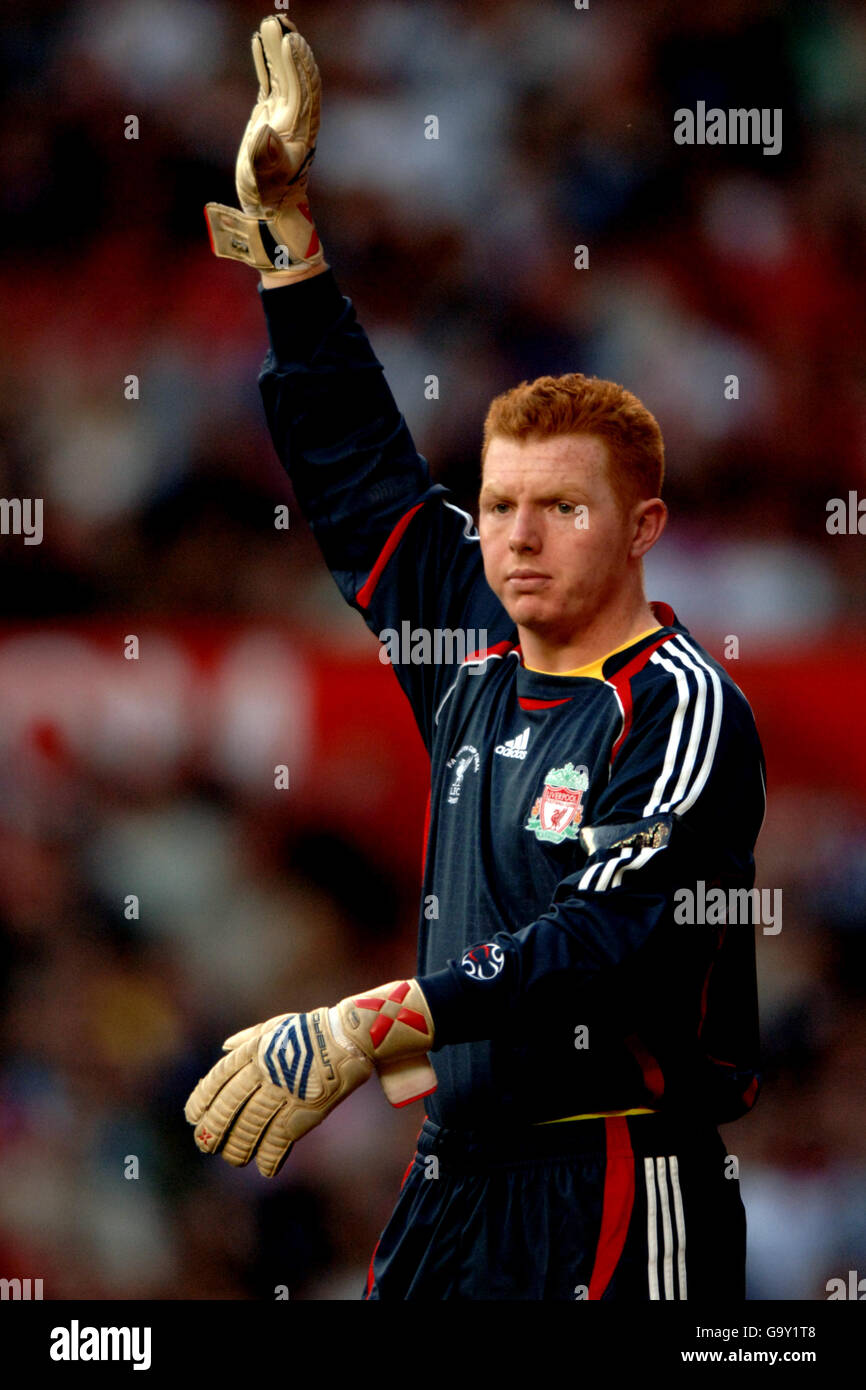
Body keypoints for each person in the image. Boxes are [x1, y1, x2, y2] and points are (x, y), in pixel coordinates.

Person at [186, 14, 766, 1302]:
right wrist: (284, 239)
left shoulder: (680, 707)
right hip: (453, 1176)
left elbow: (607, 934)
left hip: (614, 1177)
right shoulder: (476, 651)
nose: (516, 537)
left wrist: (366, 1025)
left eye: (562, 509)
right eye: (499, 505)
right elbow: (359, 480)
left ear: (644, 530)